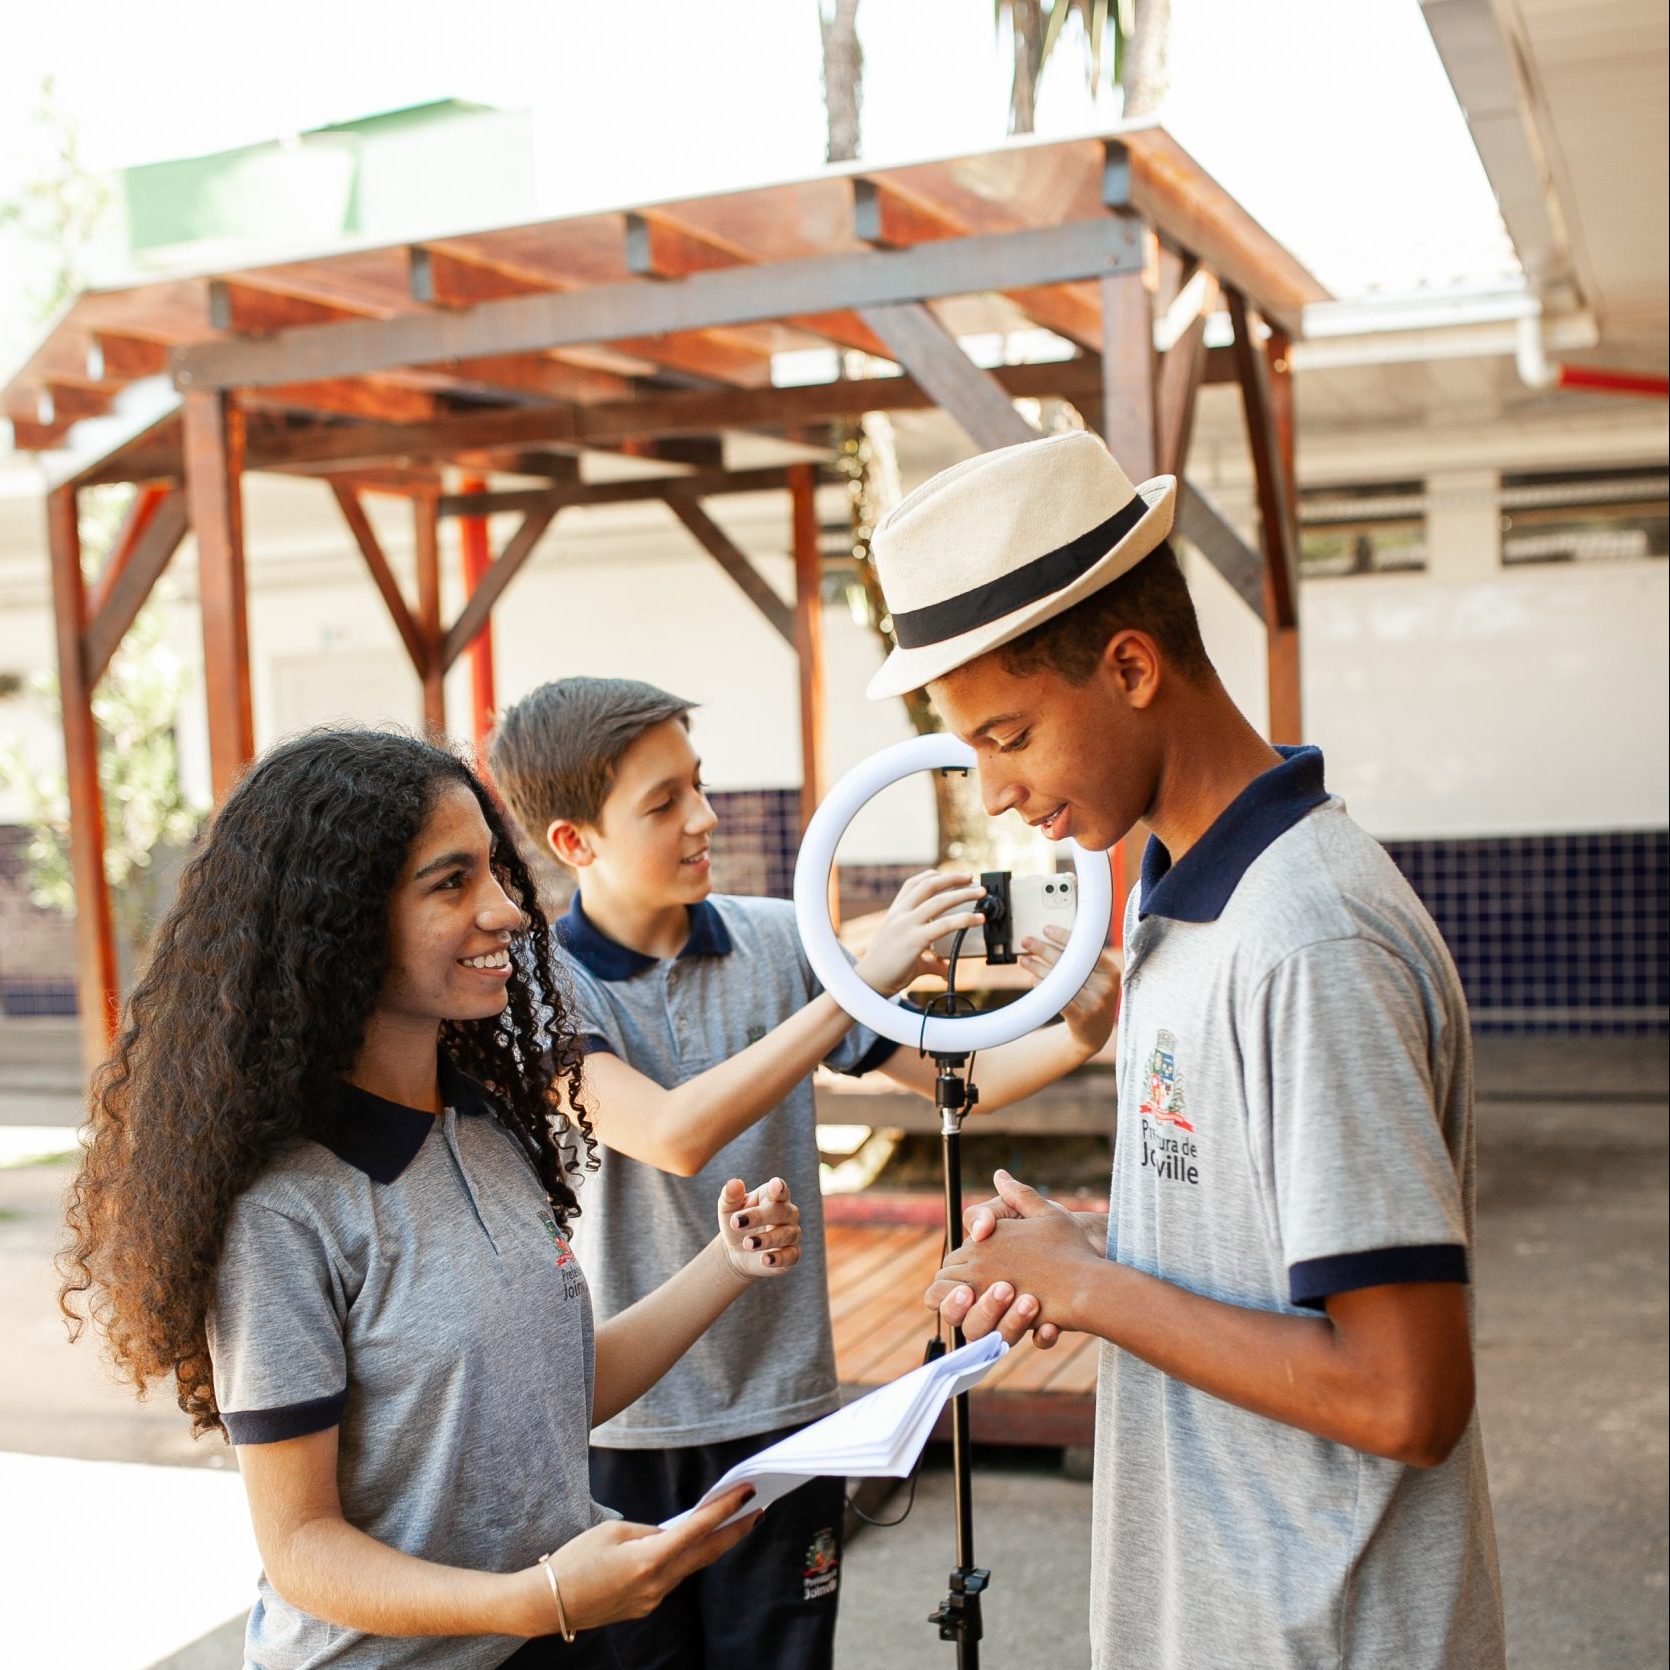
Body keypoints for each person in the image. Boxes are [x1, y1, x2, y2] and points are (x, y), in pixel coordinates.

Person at [865, 430, 1506, 1669]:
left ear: (1128, 664)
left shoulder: (1305, 937)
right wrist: (1078, 1255)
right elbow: (1260, 1266)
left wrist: (1095, 1289)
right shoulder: (1178, 904)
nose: (992, 791)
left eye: (1004, 735)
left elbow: (1403, 1396)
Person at [59, 728, 811, 1670]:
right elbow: (301, 1549)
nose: (506, 909)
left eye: (495, 871)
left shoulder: (490, 1131)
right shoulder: (285, 1210)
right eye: (451, 883)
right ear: (340, 922)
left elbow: (547, 1394)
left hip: (547, 1639)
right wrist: (535, 1600)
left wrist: (725, 1265)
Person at [487, 676, 1120, 1670]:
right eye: (662, 803)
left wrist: (1077, 1031)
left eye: (698, 785)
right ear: (575, 842)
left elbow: (963, 1082)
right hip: (619, 1426)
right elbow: (670, 1132)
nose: (702, 818)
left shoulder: (779, 942)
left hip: (784, 1413)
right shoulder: (535, 983)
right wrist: (858, 984)